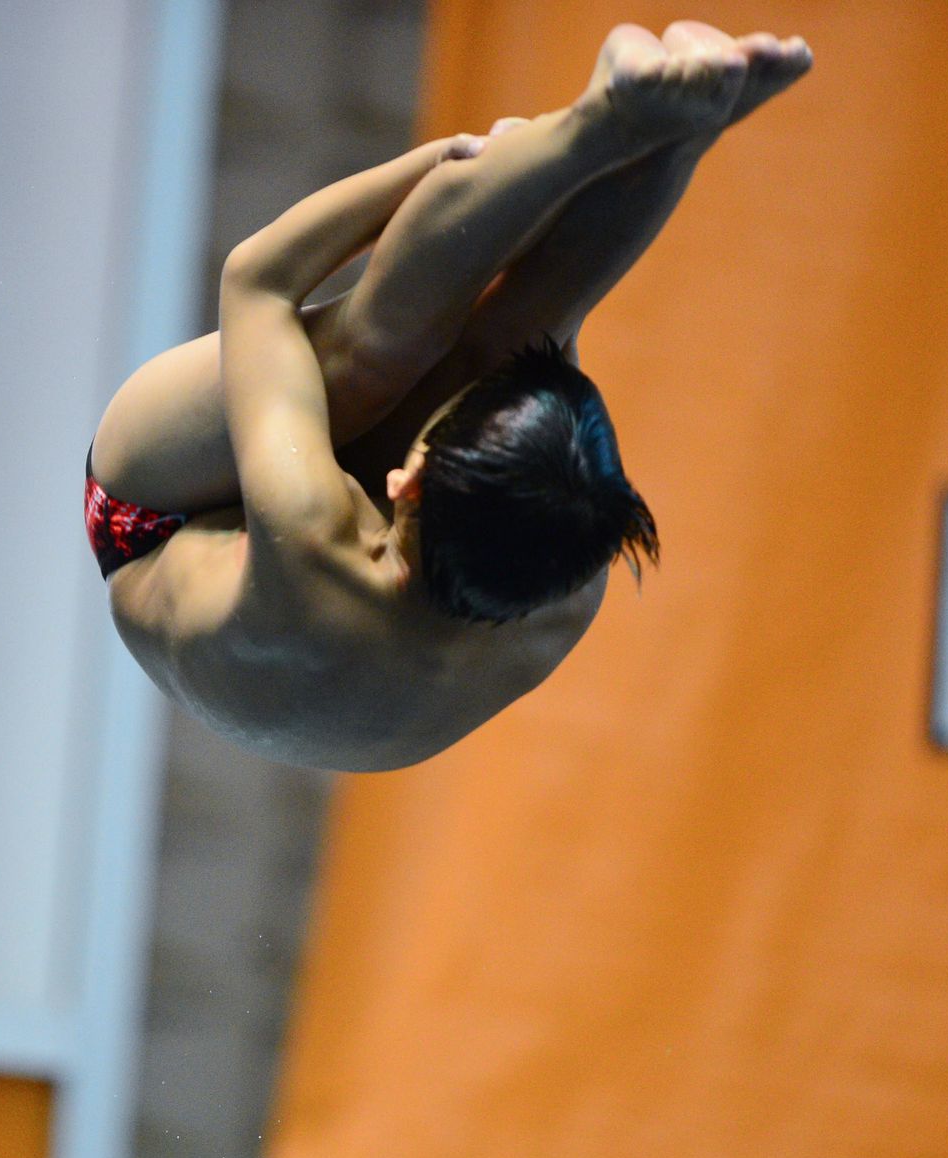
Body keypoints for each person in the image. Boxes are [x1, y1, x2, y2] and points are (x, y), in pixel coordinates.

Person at [88, 20, 810, 770]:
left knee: (365, 358)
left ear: (406, 477)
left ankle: (598, 123)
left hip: (152, 525)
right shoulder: (563, 574)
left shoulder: (316, 538)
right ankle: (687, 126)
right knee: (524, 331)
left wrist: (435, 164)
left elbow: (259, 281)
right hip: (346, 605)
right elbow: (539, 348)